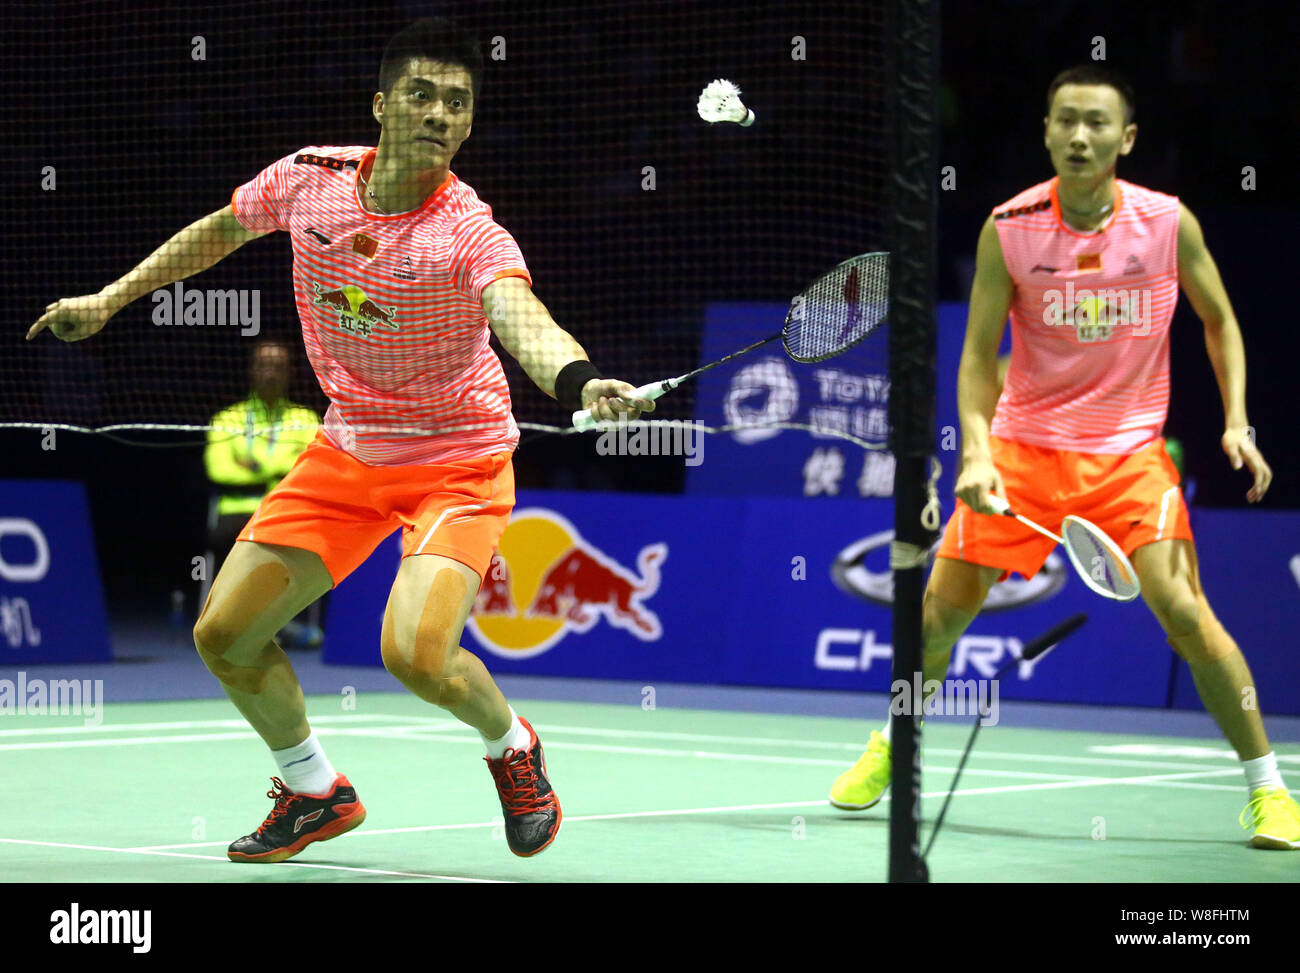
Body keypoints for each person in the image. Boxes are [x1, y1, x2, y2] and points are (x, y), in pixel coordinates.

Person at [28, 17, 652, 863]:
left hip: (457, 462)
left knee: (414, 656)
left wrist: (579, 381)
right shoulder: (307, 180)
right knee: (223, 635)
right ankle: (314, 790)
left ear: (470, 123)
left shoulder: (469, 230)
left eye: (458, 103)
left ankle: (514, 749)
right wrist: (109, 299)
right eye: (422, 94)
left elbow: (518, 315)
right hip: (348, 450)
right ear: (382, 103)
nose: (440, 113)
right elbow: (220, 230)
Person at [828, 64, 1298, 849]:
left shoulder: (1166, 223)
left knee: (1185, 613)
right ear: (1047, 130)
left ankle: (1269, 788)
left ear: (1127, 137)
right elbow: (979, 356)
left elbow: (1220, 320)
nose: (1081, 136)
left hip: (1128, 455)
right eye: (1066, 121)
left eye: (1098, 123)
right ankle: (891, 744)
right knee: (939, 619)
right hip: (1021, 448)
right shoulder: (1008, 227)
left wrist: (1238, 420)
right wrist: (976, 454)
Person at [201, 340, 323, 649]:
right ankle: (251, 624)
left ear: (290, 373)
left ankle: (270, 623)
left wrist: (254, 464)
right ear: (252, 371)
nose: (271, 373)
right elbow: (218, 470)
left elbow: (312, 468)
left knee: (301, 538)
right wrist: (281, 466)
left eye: (278, 367)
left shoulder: (306, 418)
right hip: (237, 511)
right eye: (264, 366)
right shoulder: (227, 419)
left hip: (288, 510)